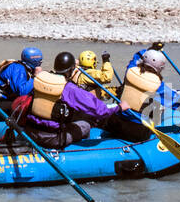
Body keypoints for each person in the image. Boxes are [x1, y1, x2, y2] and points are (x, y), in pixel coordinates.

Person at [14, 52, 150, 147]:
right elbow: (100, 111)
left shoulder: (40, 80)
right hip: (53, 139)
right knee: (86, 124)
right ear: (72, 69)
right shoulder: (69, 89)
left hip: (31, 132)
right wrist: (119, 107)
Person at [121, 44, 180, 117]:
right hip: (137, 126)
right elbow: (178, 102)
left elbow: (137, 57)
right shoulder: (157, 86)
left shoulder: (130, 70)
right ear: (160, 67)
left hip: (116, 120)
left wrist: (152, 49)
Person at [0, 46, 43, 116]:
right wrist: (35, 77)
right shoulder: (18, 68)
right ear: (34, 61)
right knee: (31, 106)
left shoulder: (24, 68)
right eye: (40, 61)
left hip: (5, 103)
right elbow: (22, 92)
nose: (41, 63)